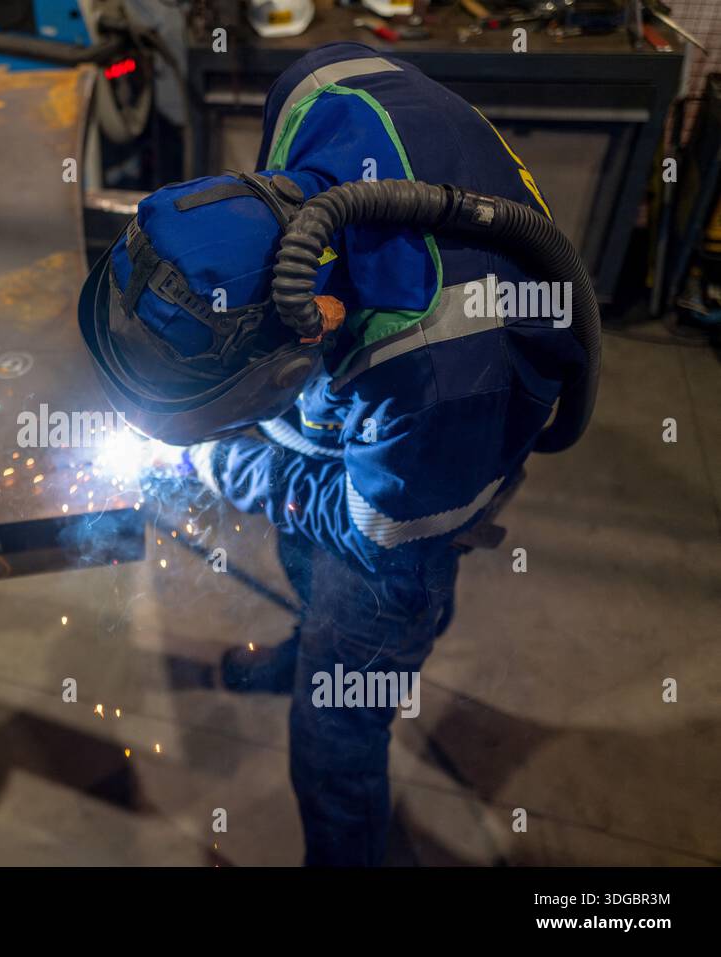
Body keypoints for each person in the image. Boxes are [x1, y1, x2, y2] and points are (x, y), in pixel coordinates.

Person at [79, 42, 596, 864]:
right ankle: (319, 628)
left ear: (292, 357)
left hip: (449, 447)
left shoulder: (436, 375)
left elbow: (376, 531)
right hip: (395, 401)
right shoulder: (314, 89)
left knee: (335, 725)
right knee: (308, 546)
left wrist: (229, 465)